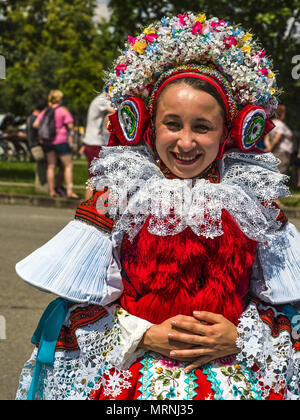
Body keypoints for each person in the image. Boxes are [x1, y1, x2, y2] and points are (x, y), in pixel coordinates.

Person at [16, 12, 300, 400]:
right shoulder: (116, 194)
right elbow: (77, 307)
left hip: (235, 371)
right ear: (149, 125)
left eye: (202, 127)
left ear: (228, 130)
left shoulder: (252, 201)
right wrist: (143, 333)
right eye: (172, 124)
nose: (185, 143)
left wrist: (238, 336)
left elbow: (284, 305)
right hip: (135, 372)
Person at [33, 90, 79, 199]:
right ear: (60, 99)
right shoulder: (63, 110)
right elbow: (71, 127)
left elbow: (35, 124)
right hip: (61, 140)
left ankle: (52, 191)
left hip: (48, 142)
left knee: (51, 166)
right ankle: (69, 191)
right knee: (68, 165)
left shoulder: (46, 111)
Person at [81, 93, 114, 200]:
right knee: (94, 180)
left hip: (95, 143)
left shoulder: (100, 99)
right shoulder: (102, 99)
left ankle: (89, 207)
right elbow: (115, 111)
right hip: (95, 143)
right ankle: (87, 208)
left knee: (96, 179)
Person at [264, 104, 294, 175]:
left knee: (272, 173)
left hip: (273, 152)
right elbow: (277, 138)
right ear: (282, 114)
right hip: (281, 153)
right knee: (280, 173)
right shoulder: (280, 124)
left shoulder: (270, 123)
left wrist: (269, 148)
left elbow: (266, 137)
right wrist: (271, 148)